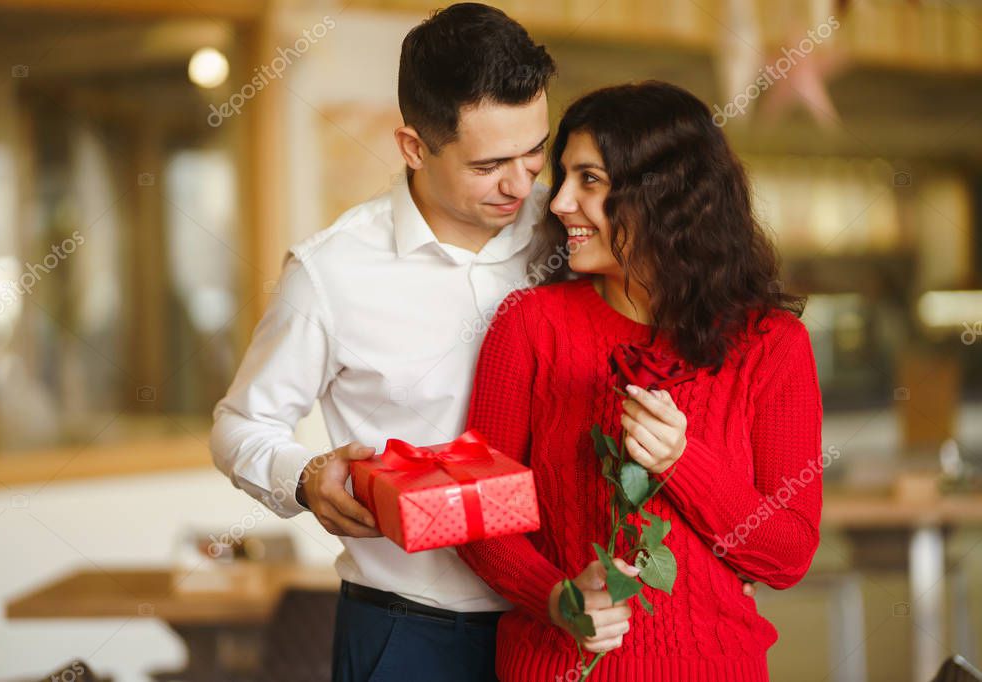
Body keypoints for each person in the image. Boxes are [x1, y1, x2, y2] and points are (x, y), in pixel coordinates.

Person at [210, 5, 625, 681]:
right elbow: (239, 424)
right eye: (490, 164)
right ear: (412, 147)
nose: (523, 184)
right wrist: (307, 478)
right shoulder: (331, 272)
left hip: (564, 620)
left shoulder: (574, 235)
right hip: (406, 630)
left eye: (534, 151)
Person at [457, 81, 823, 681]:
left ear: (664, 197)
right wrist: (556, 598)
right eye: (564, 176)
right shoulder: (528, 326)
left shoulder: (771, 346)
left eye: (590, 181)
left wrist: (683, 462)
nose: (558, 202)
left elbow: (785, 556)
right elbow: (482, 519)